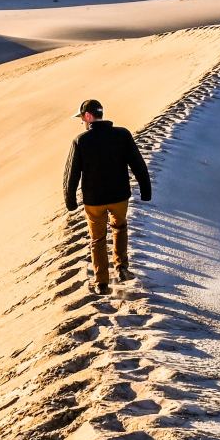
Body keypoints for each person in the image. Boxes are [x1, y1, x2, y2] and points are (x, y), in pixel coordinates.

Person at [62, 98, 151, 294]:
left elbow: (71, 173)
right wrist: (146, 190)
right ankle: (121, 268)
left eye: (82, 119)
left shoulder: (81, 141)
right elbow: (138, 164)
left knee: (98, 239)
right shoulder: (122, 135)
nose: (82, 123)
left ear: (88, 116)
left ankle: (101, 282)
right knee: (119, 227)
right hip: (119, 196)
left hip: (94, 201)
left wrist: (70, 200)